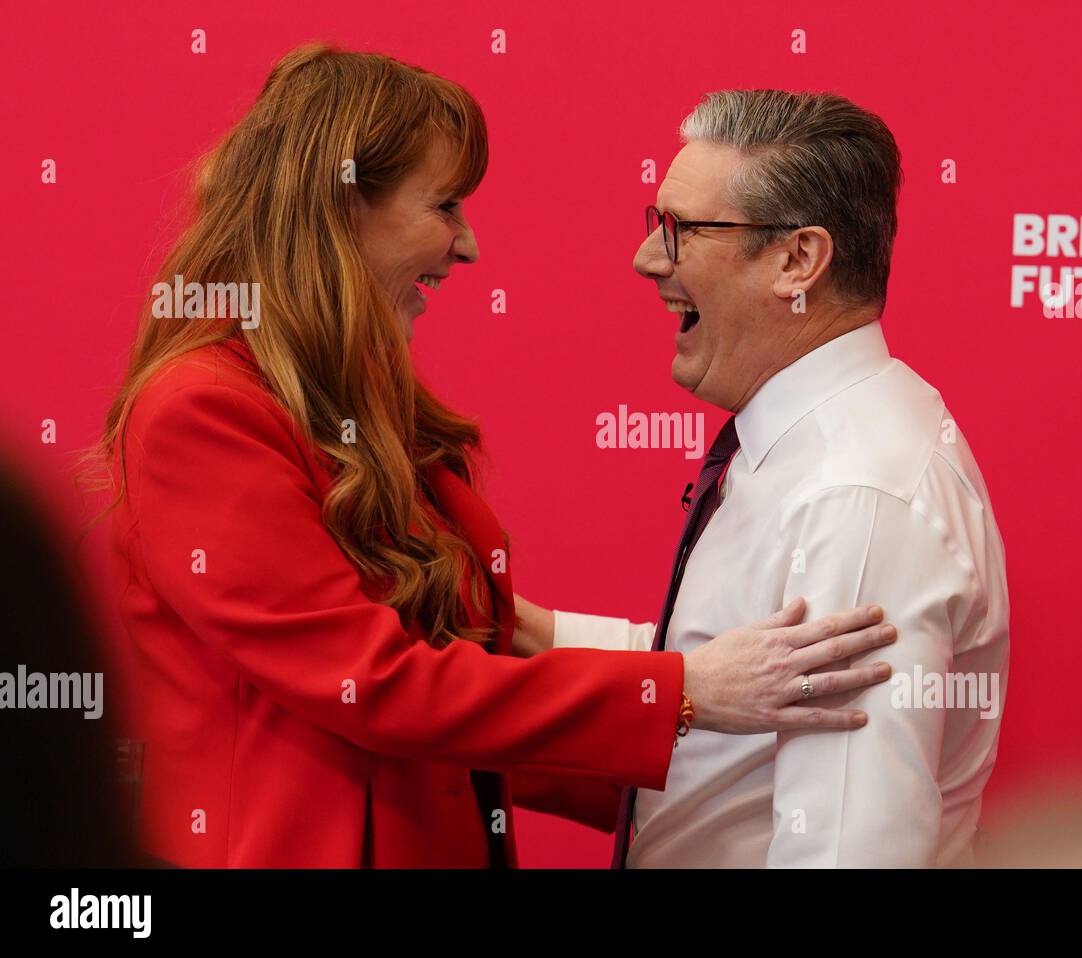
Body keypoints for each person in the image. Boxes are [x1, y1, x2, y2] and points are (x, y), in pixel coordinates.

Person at [84, 46, 900, 868]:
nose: (468, 246)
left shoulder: (361, 404)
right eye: (445, 206)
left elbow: (468, 655)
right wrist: (681, 695)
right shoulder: (202, 412)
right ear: (341, 211)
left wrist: (679, 721)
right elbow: (374, 681)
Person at [515, 90, 1011, 868]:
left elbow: (847, 853)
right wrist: (529, 629)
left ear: (796, 262)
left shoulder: (856, 496)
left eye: (681, 230)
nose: (647, 259)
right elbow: (736, 670)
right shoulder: (810, 447)